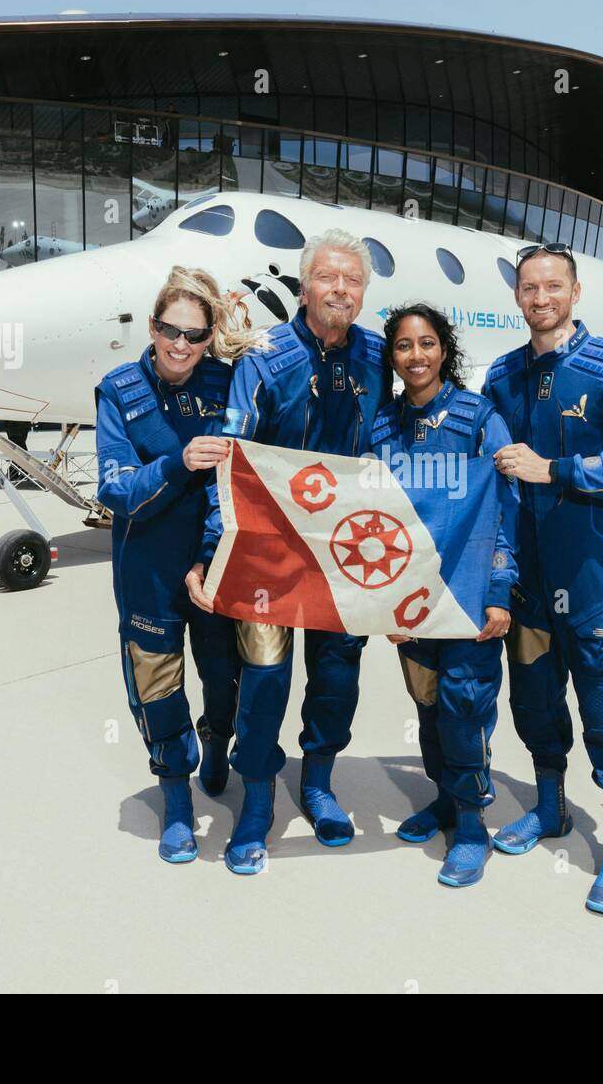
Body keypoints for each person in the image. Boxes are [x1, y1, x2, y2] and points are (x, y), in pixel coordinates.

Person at [187, 229, 391, 876]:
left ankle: (320, 783)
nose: (340, 289)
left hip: (345, 556)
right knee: (265, 677)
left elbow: (399, 451)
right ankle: (255, 801)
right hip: (269, 553)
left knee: (336, 678)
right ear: (304, 287)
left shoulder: (380, 360)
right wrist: (215, 551)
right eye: (328, 278)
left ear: (363, 293)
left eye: (352, 281)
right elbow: (229, 462)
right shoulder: (265, 358)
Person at [482, 241, 603, 916]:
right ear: (518, 297)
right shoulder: (500, 377)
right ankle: (551, 806)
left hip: (592, 582)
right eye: (529, 288)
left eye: (552, 286)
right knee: (533, 703)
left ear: (574, 292)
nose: (540, 298)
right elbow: (483, 470)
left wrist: (556, 471)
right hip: (525, 584)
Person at [95, 265, 261, 863]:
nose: (181, 345)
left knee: (223, 678)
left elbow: (244, 468)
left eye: (194, 334)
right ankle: (176, 801)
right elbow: (114, 489)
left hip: (213, 565)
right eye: (171, 330)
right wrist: (177, 463)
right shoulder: (119, 389)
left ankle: (217, 747)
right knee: (158, 685)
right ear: (152, 325)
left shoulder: (227, 380)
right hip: (147, 569)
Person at [371, 303, 516, 888]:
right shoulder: (381, 427)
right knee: (428, 705)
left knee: (464, 705)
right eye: (404, 346)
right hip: (411, 600)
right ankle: (446, 799)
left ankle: (473, 823)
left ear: (444, 349)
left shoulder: (481, 418)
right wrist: (380, 601)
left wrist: (501, 589)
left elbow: (507, 507)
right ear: (393, 356)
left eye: (427, 343)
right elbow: (371, 519)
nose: (416, 356)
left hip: (470, 596)